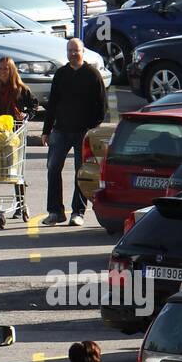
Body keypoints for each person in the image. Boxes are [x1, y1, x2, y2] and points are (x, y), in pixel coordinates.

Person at [42, 38, 107, 227]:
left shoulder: (92, 75)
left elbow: (101, 107)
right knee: (53, 169)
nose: (72, 53)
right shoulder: (61, 74)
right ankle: (55, 211)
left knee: (81, 172)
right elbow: (52, 104)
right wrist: (46, 130)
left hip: (83, 133)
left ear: (82, 52)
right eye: (70, 50)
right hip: (60, 130)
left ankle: (77, 212)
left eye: (76, 50)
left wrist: (91, 128)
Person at [0, 57, 37, 224]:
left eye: (6, 69)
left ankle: (20, 205)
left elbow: (34, 105)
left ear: (12, 70)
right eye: (0, 69)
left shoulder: (20, 88)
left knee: (15, 170)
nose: (3, 72)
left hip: (14, 134)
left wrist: (25, 115)